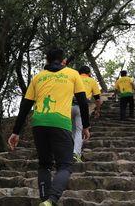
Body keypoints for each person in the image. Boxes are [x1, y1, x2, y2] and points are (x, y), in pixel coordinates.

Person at [7, 48, 91, 206]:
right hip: (60, 123)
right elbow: (82, 102)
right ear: (63, 60)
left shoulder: (38, 77)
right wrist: (85, 126)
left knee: (44, 164)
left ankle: (44, 200)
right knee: (65, 165)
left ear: (47, 60)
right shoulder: (73, 74)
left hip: (38, 123)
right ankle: (51, 200)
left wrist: (15, 132)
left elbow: (25, 106)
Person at [71, 65, 102, 163]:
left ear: (79, 72)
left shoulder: (74, 78)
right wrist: (97, 110)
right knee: (79, 131)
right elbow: (97, 99)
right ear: (89, 73)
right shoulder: (92, 81)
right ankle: (76, 154)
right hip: (82, 107)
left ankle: (68, 152)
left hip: (68, 106)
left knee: (71, 129)